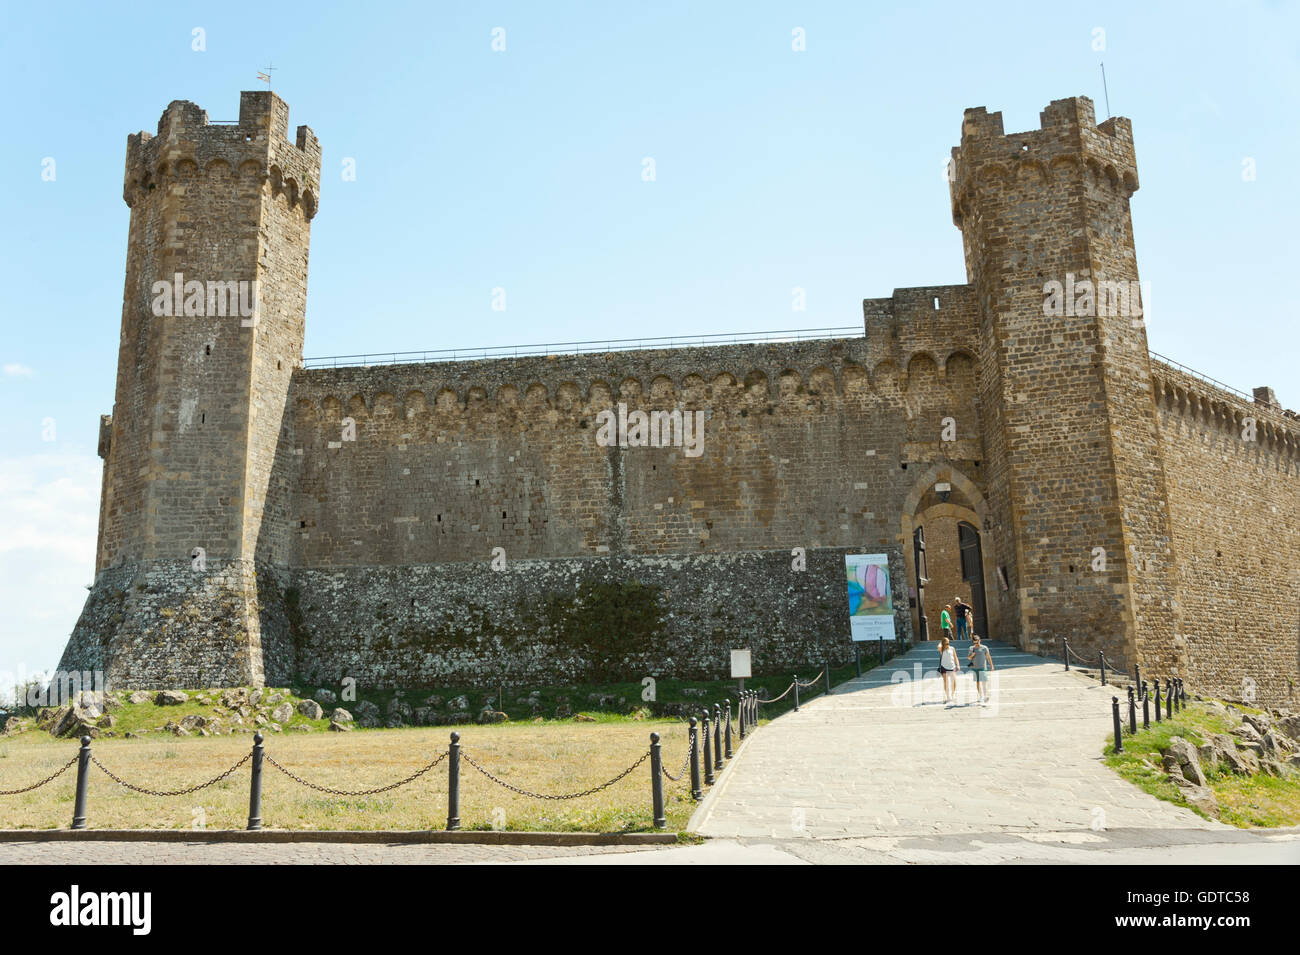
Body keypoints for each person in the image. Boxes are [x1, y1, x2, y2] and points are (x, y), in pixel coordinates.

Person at [967, 633, 995, 704]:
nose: (976, 644)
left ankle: (985, 696)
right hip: (975, 667)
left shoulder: (984, 648)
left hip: (982, 667)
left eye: (977, 642)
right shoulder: (971, 648)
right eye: (975, 643)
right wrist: (972, 655)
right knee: (978, 682)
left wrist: (991, 665)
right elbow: (969, 658)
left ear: (980, 640)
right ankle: (981, 696)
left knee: (984, 682)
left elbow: (988, 657)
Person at [937, 635, 960, 704]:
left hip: (952, 667)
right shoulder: (941, 649)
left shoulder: (952, 648)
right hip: (944, 667)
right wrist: (942, 642)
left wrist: (958, 665)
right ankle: (948, 697)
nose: (948, 644)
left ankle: (952, 694)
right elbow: (938, 646)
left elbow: (955, 657)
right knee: (946, 682)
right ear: (943, 644)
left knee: (954, 682)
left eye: (948, 643)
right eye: (946, 643)